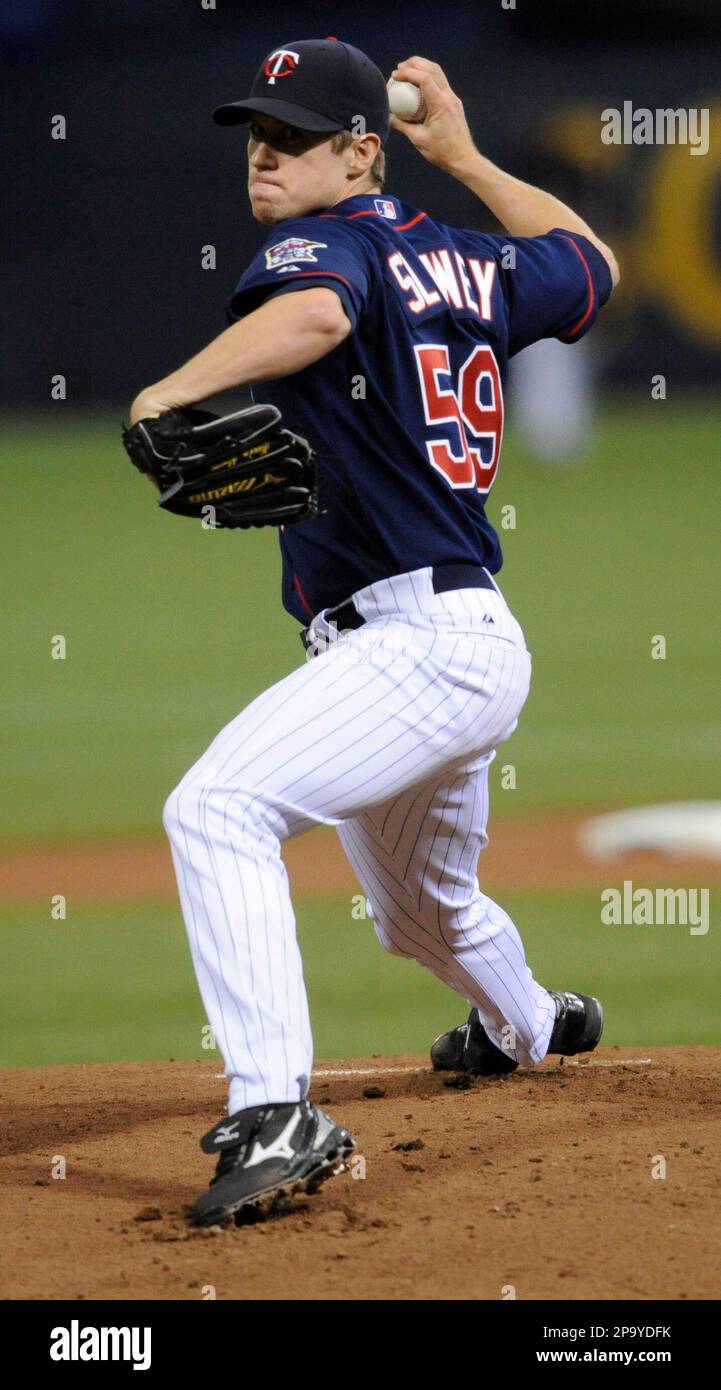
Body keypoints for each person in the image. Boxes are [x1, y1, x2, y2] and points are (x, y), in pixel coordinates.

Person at [129, 38, 619, 1227]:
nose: (264, 151)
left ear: (360, 152)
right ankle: (535, 1025)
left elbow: (310, 316)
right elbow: (592, 264)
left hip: (417, 643)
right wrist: (466, 158)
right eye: (257, 129)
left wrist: (168, 393)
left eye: (293, 134)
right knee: (420, 912)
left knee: (215, 807)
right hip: (454, 640)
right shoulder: (469, 258)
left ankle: (274, 1112)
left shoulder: (326, 240)